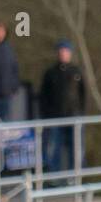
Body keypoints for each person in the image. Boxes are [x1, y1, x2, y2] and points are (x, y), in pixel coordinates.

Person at [40, 39, 86, 172]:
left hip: (74, 115)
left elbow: (83, 94)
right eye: (60, 51)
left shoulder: (76, 72)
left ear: (70, 53)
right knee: (55, 147)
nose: (63, 54)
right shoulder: (50, 73)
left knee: (76, 146)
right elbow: (44, 95)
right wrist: (46, 114)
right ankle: (54, 176)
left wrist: (81, 112)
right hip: (55, 117)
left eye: (65, 51)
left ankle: (76, 175)